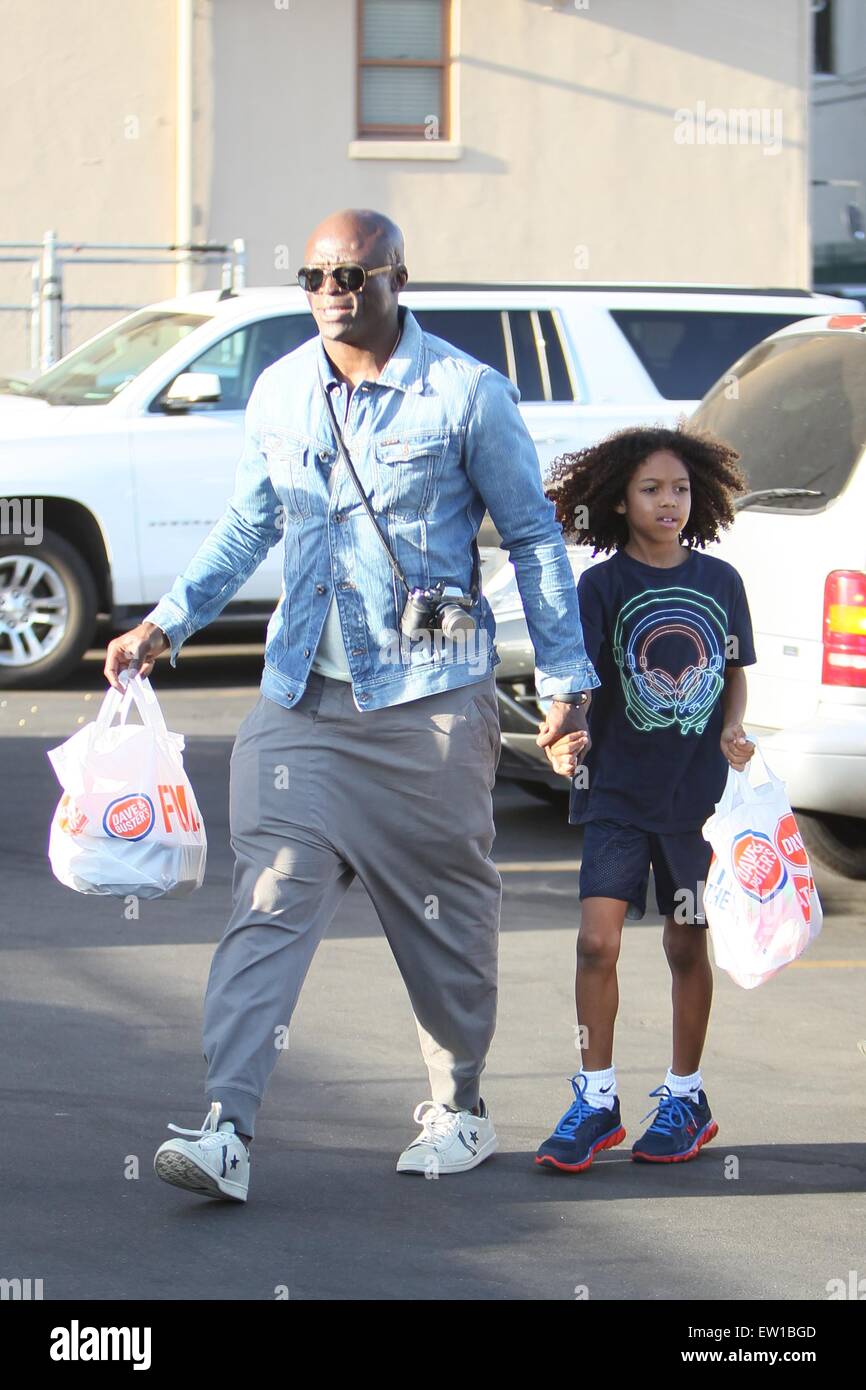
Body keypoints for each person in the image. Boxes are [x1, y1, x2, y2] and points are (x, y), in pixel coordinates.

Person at [103, 208, 599, 1201]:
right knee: (267, 899)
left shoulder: (466, 393)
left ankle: (457, 1104)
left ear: (395, 280)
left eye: (353, 273)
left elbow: (535, 541)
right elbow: (249, 522)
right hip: (299, 702)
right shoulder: (282, 390)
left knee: (443, 921)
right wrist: (167, 624)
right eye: (315, 274)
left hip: (429, 703)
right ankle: (225, 1125)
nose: (332, 288)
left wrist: (561, 681)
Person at [533, 423, 756, 1171]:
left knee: (685, 943)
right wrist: (567, 729)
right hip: (617, 795)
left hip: (697, 802)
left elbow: (731, 673)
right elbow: (581, 681)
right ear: (621, 501)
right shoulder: (600, 586)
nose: (669, 502)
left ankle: (685, 1096)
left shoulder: (721, 583)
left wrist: (732, 728)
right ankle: (596, 1102)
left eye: (681, 490)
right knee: (597, 941)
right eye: (652, 490)